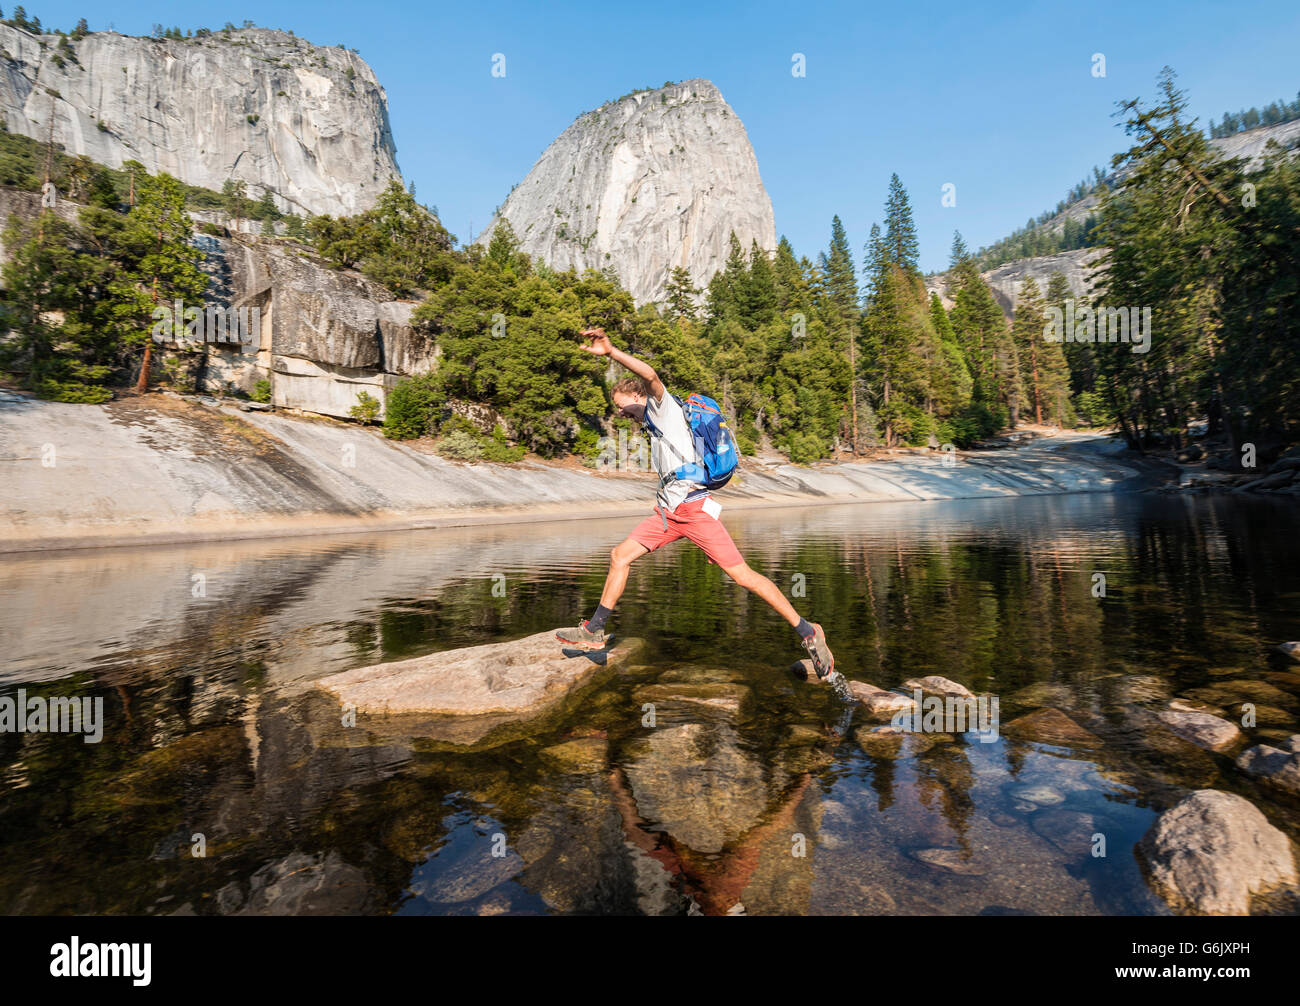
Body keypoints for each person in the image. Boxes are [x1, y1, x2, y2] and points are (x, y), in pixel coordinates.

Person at [555, 328, 836, 679]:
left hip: (695, 511)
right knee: (619, 556)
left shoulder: (663, 408)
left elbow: (652, 376)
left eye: (622, 406)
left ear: (637, 397)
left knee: (743, 576)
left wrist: (612, 353)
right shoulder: (653, 429)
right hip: (668, 513)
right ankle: (595, 631)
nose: (620, 414)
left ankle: (808, 631)